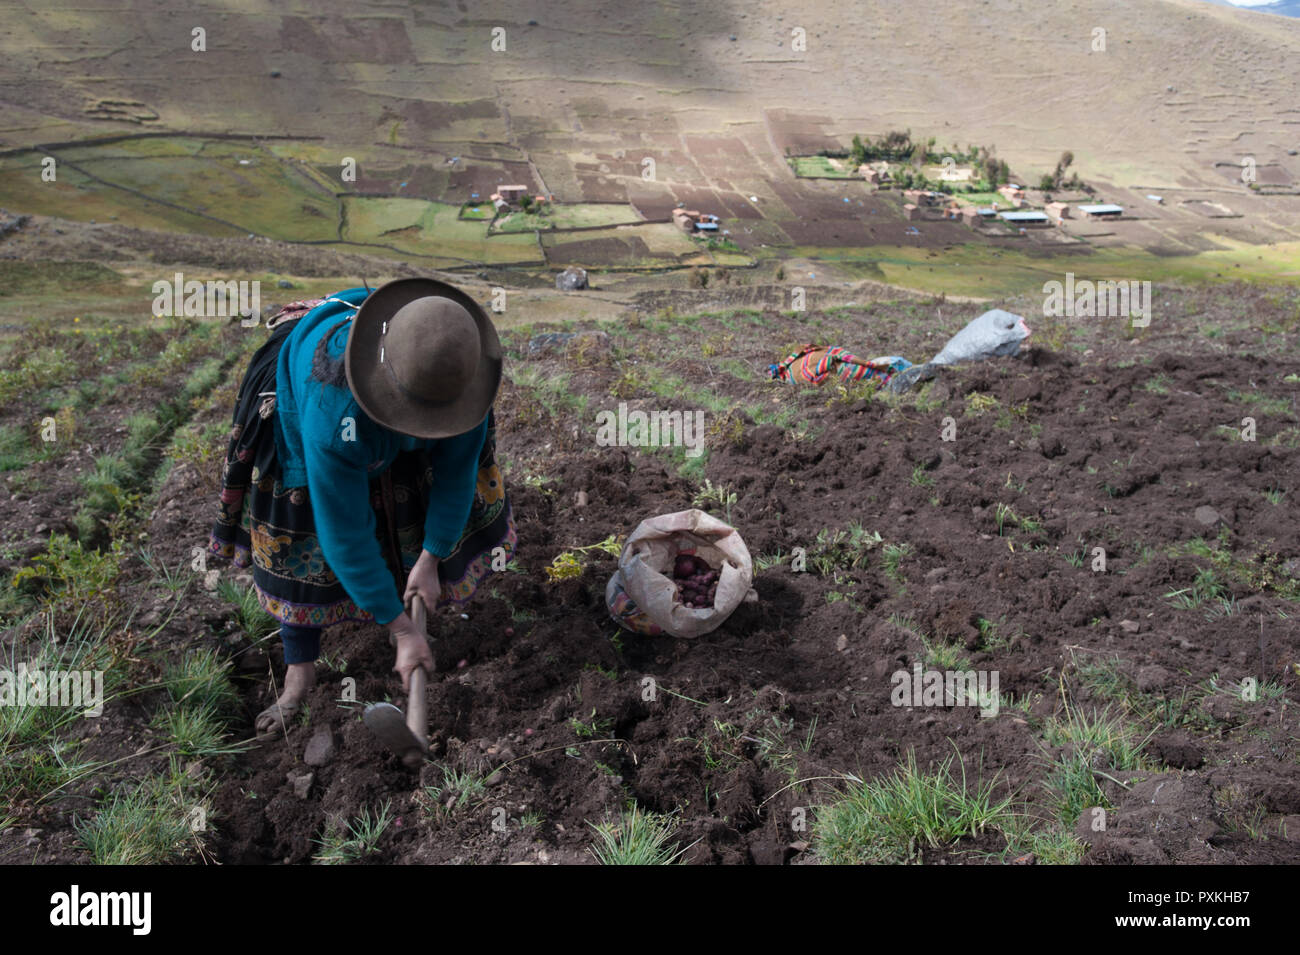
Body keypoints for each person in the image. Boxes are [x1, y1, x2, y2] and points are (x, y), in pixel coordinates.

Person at [208, 278, 516, 736]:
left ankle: (409, 585)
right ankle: (300, 671)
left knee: (418, 498)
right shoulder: (331, 414)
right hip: (310, 395)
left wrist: (432, 557)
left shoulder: (457, 380)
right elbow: (345, 534)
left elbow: (455, 476)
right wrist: (403, 632)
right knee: (304, 535)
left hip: (388, 406)